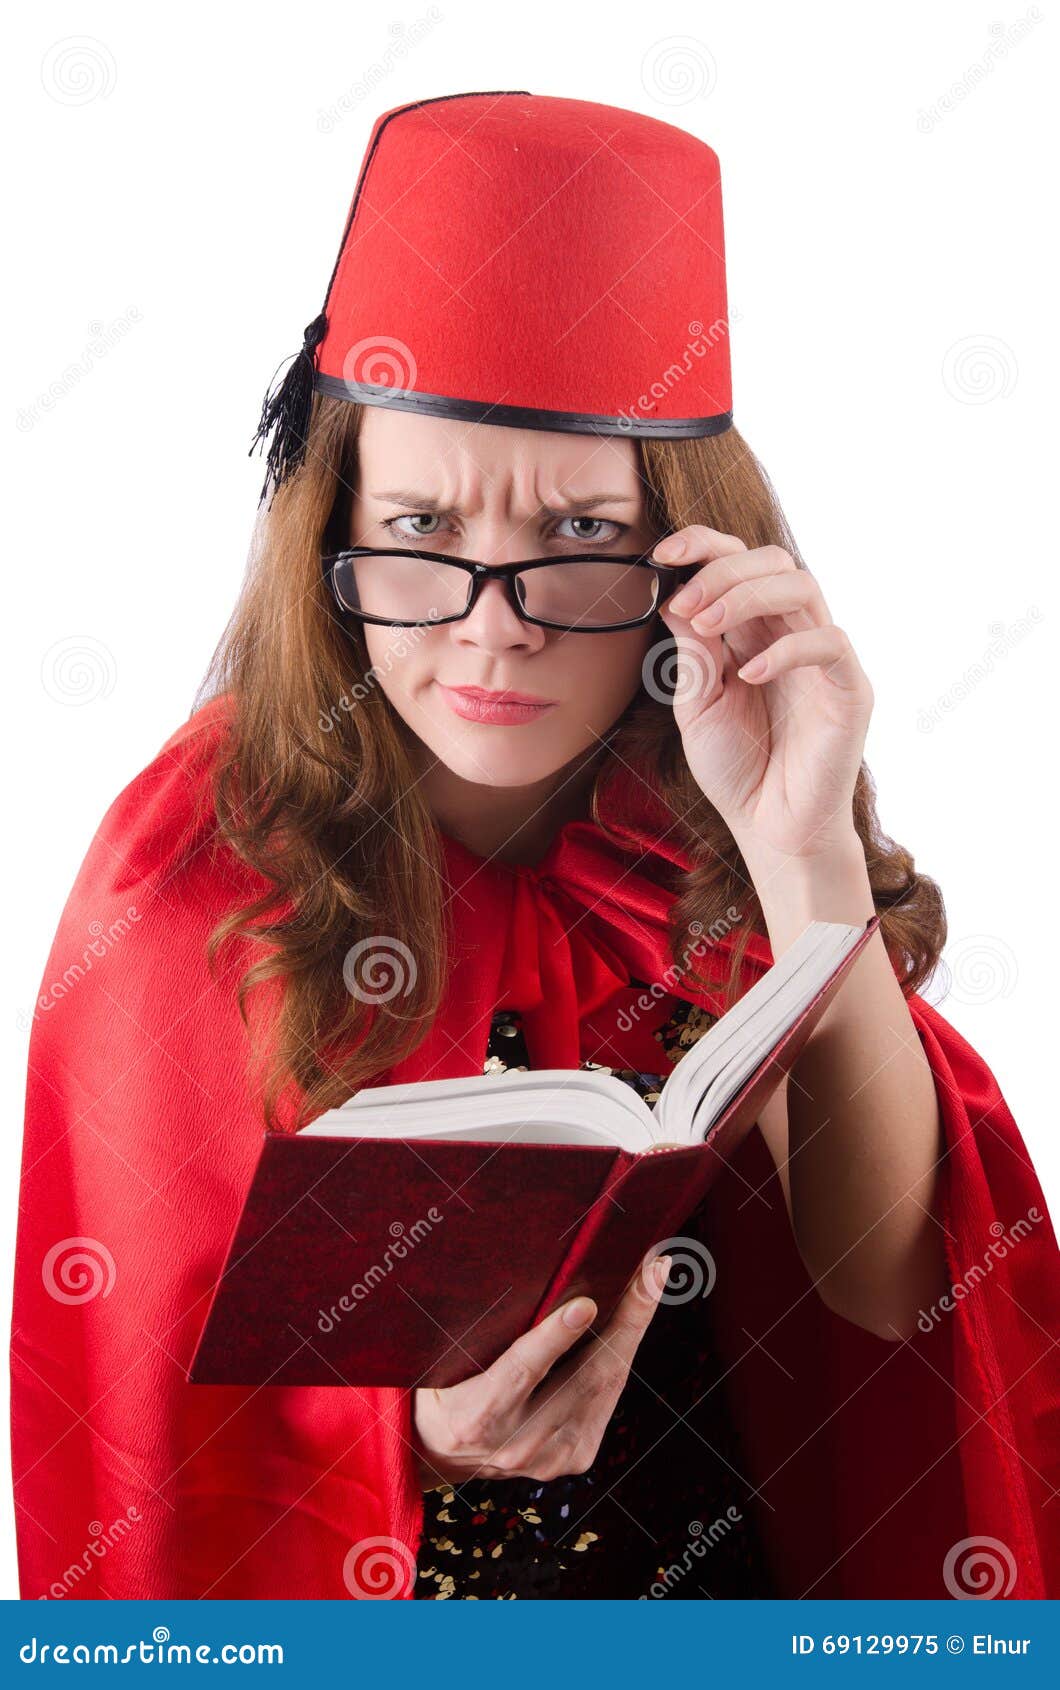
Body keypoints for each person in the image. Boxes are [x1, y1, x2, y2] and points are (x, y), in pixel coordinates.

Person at [10, 91, 1060, 1602]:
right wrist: (409, 1441)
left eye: (574, 540)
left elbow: (897, 1289)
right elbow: (130, 1412)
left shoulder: (702, 806)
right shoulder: (192, 857)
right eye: (424, 530)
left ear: (678, 549)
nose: (489, 630)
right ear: (333, 542)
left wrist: (802, 841)